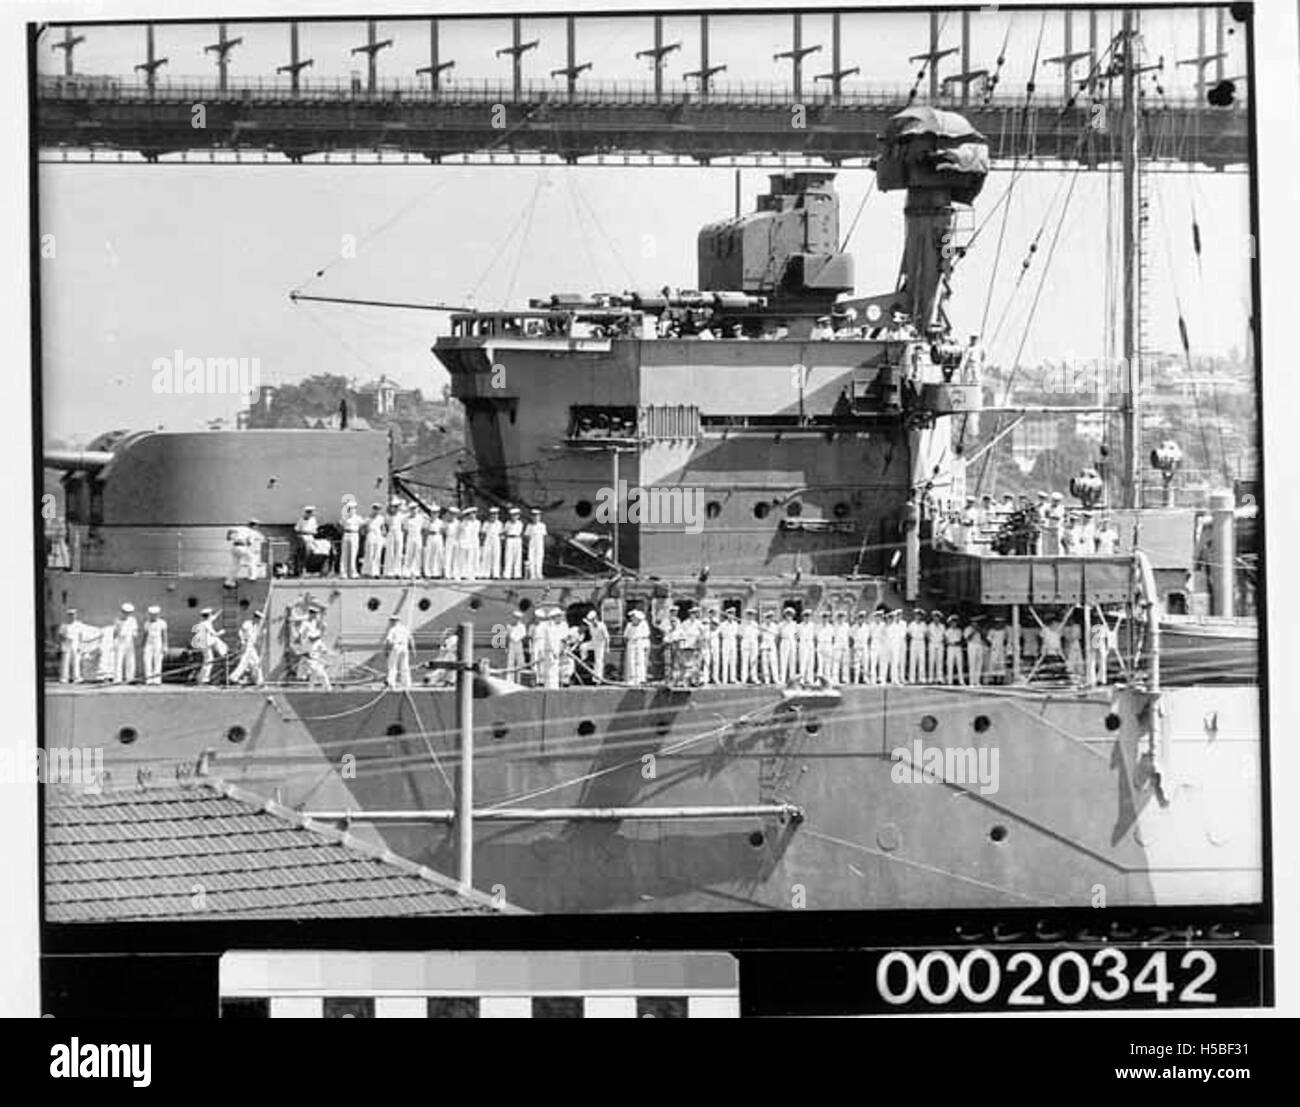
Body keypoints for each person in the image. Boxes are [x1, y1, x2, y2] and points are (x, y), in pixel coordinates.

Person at [230, 609, 266, 687]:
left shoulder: (256, 627)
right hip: (246, 645)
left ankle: (258, 680)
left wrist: (263, 634)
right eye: (258, 618)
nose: (259, 620)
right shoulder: (247, 623)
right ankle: (233, 678)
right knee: (244, 662)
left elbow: (256, 637)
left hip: (251, 646)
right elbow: (241, 633)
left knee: (256, 662)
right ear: (255, 617)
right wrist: (243, 640)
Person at [190, 608, 222, 685]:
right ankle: (202, 679)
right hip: (206, 644)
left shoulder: (202, 622)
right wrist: (221, 632)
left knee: (209, 660)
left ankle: (202, 678)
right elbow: (214, 633)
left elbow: (213, 618)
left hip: (202, 644)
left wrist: (220, 611)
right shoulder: (206, 624)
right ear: (208, 616)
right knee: (208, 660)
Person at [384, 614, 413, 690]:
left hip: (396, 647)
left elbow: (388, 641)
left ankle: (391, 682)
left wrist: (386, 651)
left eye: (391, 620)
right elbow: (411, 639)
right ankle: (407, 683)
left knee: (392, 665)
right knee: (405, 665)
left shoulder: (392, 629)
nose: (390, 622)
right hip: (404, 647)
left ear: (394, 621)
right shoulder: (404, 629)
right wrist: (413, 649)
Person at [58, 608, 86, 684]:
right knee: (65, 661)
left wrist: (80, 645)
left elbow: (81, 635)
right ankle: (64, 678)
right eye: (70, 615)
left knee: (76, 661)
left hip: (75, 643)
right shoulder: (64, 625)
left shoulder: (79, 624)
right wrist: (62, 644)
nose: (72, 616)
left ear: (76, 615)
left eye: (73, 615)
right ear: (68, 616)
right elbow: (60, 635)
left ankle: (76, 678)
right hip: (66, 643)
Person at [142, 605, 168, 685]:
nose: (153, 616)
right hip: (149, 643)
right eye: (151, 614)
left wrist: (165, 645)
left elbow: (164, 635)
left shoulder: (162, 623)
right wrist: (143, 645)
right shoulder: (147, 623)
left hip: (158, 643)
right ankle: (148, 679)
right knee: (147, 661)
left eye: (155, 614)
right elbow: (145, 635)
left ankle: (157, 680)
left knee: (158, 661)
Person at [113, 602, 139, 684]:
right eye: (125, 612)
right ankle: (117, 679)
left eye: (128, 613)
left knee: (130, 660)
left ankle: (130, 678)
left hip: (129, 641)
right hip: (120, 642)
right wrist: (113, 642)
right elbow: (115, 632)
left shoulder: (133, 620)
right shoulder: (117, 620)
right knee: (118, 660)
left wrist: (135, 634)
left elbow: (135, 631)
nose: (126, 614)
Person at [582, 609, 610, 683]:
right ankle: (584, 660)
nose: (591, 622)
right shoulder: (591, 626)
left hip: (600, 644)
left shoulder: (602, 625)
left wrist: (607, 647)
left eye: (592, 620)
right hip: (593, 642)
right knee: (583, 646)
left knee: (598, 661)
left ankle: (598, 678)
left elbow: (607, 637)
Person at [624, 609, 651, 685]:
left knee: (640, 660)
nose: (632, 618)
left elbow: (646, 634)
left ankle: (641, 678)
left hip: (640, 642)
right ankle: (631, 678)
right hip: (631, 642)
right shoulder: (629, 625)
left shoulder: (644, 624)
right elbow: (626, 636)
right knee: (631, 661)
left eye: (634, 617)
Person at [383, 500, 406, 578]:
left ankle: (397, 571)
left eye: (396, 506)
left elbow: (403, 526)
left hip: (398, 533)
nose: (395, 508)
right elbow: (386, 525)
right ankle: (389, 572)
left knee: (398, 552)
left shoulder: (401, 516)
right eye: (393, 506)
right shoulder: (387, 516)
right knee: (390, 552)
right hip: (391, 533)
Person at [362, 503, 386, 577]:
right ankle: (366, 571)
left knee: (377, 554)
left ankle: (375, 572)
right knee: (369, 553)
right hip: (370, 535)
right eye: (375, 508)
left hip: (378, 536)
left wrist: (383, 533)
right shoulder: (367, 518)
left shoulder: (381, 518)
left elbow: (383, 528)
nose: (376, 510)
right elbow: (363, 530)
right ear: (372, 509)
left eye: (378, 509)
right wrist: (366, 530)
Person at [339, 502, 362, 578]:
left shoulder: (358, 518)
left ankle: (353, 572)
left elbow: (362, 525)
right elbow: (341, 524)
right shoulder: (344, 518)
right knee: (344, 554)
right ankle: (343, 572)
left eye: (353, 508)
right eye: (350, 508)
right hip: (346, 534)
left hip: (354, 534)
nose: (351, 510)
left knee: (353, 554)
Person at [294, 506, 318, 576]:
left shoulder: (313, 520)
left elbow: (315, 530)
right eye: (308, 512)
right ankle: (302, 568)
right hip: (303, 537)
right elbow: (297, 529)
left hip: (311, 537)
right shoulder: (301, 520)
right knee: (304, 549)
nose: (310, 514)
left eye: (311, 512)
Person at [480, 506, 504, 579]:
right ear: (490, 515)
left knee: (496, 556)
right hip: (488, 540)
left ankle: (496, 574)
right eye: (492, 514)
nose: (494, 516)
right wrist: (482, 543)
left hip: (496, 540)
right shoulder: (486, 523)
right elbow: (483, 533)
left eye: (496, 514)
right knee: (487, 556)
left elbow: (501, 533)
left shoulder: (499, 523)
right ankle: (486, 573)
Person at [458, 505, 481, 581]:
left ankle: (472, 574)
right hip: (464, 542)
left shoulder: (477, 523)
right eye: (471, 514)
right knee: (463, 559)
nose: (473, 515)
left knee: (472, 559)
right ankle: (463, 574)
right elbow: (461, 532)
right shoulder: (463, 523)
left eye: (474, 514)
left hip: (473, 543)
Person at [402, 505, 426, 578]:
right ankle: (406, 572)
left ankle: (416, 572)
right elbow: (405, 530)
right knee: (409, 554)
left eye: (415, 508)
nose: (413, 510)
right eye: (412, 509)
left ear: (417, 509)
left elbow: (423, 529)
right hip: (410, 537)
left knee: (417, 555)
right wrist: (405, 541)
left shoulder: (421, 518)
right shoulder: (406, 518)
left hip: (418, 537)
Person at [505, 610, 529, 682]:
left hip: (519, 644)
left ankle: (520, 679)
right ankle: (509, 680)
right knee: (510, 662)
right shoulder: (509, 626)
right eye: (514, 617)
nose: (515, 619)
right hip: (511, 644)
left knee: (520, 662)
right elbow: (507, 636)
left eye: (517, 618)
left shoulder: (522, 626)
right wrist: (506, 647)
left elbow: (523, 635)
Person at [776, 608, 797, 685]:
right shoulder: (781, 624)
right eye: (787, 614)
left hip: (792, 642)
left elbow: (796, 635)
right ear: (785, 615)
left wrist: (796, 643)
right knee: (783, 661)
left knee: (792, 661)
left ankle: (792, 679)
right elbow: (777, 635)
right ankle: (782, 679)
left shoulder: (794, 624)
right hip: (784, 641)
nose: (789, 616)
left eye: (790, 615)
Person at [502, 506, 525, 579]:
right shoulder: (507, 523)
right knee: (508, 556)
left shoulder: (520, 523)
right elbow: (505, 532)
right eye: (513, 515)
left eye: (516, 515)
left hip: (517, 539)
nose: (514, 517)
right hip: (510, 539)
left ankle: (517, 574)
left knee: (517, 557)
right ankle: (507, 574)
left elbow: (520, 532)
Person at [424, 508, 447, 578]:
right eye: (433, 513)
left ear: (438, 514)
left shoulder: (441, 522)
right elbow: (424, 531)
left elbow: (444, 531)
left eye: (436, 513)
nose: (434, 515)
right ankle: (428, 572)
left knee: (438, 555)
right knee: (429, 555)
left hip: (438, 537)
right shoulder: (427, 521)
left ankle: (437, 573)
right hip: (430, 537)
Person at [524, 508, 547, 580]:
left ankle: (539, 574)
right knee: (531, 559)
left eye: (537, 516)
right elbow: (527, 535)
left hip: (539, 544)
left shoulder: (542, 525)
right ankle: (532, 574)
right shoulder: (529, 526)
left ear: (539, 517)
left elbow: (543, 535)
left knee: (539, 559)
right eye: (534, 516)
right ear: (532, 517)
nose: (536, 518)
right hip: (532, 544)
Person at [739, 609, 760, 684]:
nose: (750, 616)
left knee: (753, 661)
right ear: (746, 615)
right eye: (749, 614)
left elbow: (757, 635)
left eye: (752, 615)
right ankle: (744, 678)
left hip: (754, 643)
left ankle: (754, 677)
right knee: (745, 661)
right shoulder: (742, 624)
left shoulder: (756, 624)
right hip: (745, 643)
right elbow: (740, 634)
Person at [719, 609, 739, 685]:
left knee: (733, 661)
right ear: (727, 615)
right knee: (725, 661)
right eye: (730, 614)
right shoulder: (723, 624)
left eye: (733, 614)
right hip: (726, 642)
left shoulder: (736, 624)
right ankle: (724, 679)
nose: (731, 616)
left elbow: (736, 633)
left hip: (733, 642)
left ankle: (732, 678)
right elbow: (722, 634)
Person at [907, 609, 927, 683]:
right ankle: (912, 678)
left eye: (919, 615)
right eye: (916, 615)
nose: (918, 617)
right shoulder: (911, 624)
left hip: (921, 642)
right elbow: (909, 633)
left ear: (921, 616)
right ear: (914, 616)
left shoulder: (924, 624)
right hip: (914, 641)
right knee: (913, 660)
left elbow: (925, 633)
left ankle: (921, 678)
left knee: (922, 660)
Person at [759, 611, 780, 684]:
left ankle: (775, 679)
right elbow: (761, 636)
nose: (769, 619)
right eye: (767, 618)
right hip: (765, 643)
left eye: (770, 618)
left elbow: (777, 636)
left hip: (771, 644)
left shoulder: (774, 626)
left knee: (773, 662)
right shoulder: (762, 626)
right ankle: (767, 680)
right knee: (765, 663)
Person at [815, 610, 835, 684]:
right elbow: (815, 637)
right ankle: (819, 679)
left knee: (828, 663)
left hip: (828, 644)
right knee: (820, 663)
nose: (825, 619)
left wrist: (831, 646)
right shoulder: (817, 627)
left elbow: (833, 637)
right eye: (824, 617)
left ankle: (827, 679)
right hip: (820, 644)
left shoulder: (831, 627)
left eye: (826, 617)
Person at [944, 615, 965, 685]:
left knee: (959, 664)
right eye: (952, 622)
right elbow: (946, 641)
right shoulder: (947, 631)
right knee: (950, 664)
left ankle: (961, 681)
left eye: (955, 622)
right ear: (950, 623)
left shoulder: (959, 630)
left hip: (958, 648)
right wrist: (951, 643)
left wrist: (957, 643)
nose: (954, 624)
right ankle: (950, 681)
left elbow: (961, 640)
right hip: (951, 648)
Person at [986, 617, 1008, 684]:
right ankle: (994, 679)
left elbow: (1005, 639)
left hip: (1001, 649)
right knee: (993, 664)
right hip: (994, 649)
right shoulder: (992, 631)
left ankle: (1001, 679)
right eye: (997, 623)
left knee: (1001, 664)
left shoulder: (1004, 631)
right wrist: (993, 646)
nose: (998, 624)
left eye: (1000, 623)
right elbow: (988, 639)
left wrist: (1003, 646)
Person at [850, 611, 870, 685]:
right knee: (856, 664)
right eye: (860, 618)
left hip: (864, 646)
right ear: (858, 619)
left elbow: (868, 637)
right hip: (857, 647)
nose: (861, 619)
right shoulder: (854, 627)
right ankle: (856, 679)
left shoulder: (867, 627)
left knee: (865, 664)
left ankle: (865, 678)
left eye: (863, 618)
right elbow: (851, 636)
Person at [832, 610, 852, 685]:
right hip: (837, 646)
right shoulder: (834, 626)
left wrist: (848, 645)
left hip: (845, 646)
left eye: (842, 617)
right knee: (836, 663)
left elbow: (849, 636)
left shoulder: (847, 625)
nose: (841, 619)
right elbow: (832, 636)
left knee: (845, 663)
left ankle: (845, 678)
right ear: (837, 618)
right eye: (839, 617)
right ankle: (835, 679)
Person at [926, 610, 946, 684]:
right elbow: (927, 635)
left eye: (937, 617)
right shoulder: (930, 625)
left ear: (939, 618)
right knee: (931, 661)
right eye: (935, 617)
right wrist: (931, 640)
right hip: (932, 644)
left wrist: (941, 641)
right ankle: (930, 678)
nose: (936, 619)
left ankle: (939, 678)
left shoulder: (942, 626)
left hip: (940, 644)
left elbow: (944, 636)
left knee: (939, 661)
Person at [966, 617, 986, 686]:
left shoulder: (979, 629)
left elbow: (984, 637)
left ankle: (977, 681)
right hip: (971, 645)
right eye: (973, 622)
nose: (975, 623)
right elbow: (967, 638)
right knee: (972, 664)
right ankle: (971, 682)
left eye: (976, 622)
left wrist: (980, 630)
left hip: (979, 644)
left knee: (979, 663)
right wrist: (973, 632)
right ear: (971, 622)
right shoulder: (968, 629)